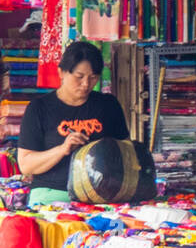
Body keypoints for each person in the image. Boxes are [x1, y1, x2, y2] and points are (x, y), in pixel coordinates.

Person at [17, 41, 129, 206]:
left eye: (93, 78)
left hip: (102, 196)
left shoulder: (108, 105)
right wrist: (62, 149)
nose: (86, 84)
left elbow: (126, 151)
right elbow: (26, 165)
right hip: (53, 194)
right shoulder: (39, 108)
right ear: (61, 72)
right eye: (79, 77)